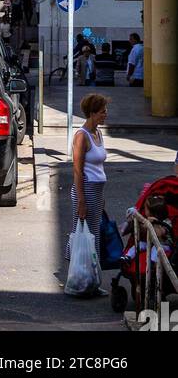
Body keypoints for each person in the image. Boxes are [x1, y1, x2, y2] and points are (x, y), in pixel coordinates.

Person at [68, 93, 109, 290]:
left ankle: (92, 279)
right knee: (81, 234)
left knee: (94, 236)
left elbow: (99, 166)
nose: (105, 115)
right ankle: (78, 278)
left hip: (97, 190)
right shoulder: (81, 136)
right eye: (102, 112)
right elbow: (77, 170)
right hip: (86, 190)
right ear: (92, 113)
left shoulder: (98, 134)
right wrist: (81, 200)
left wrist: (101, 198)